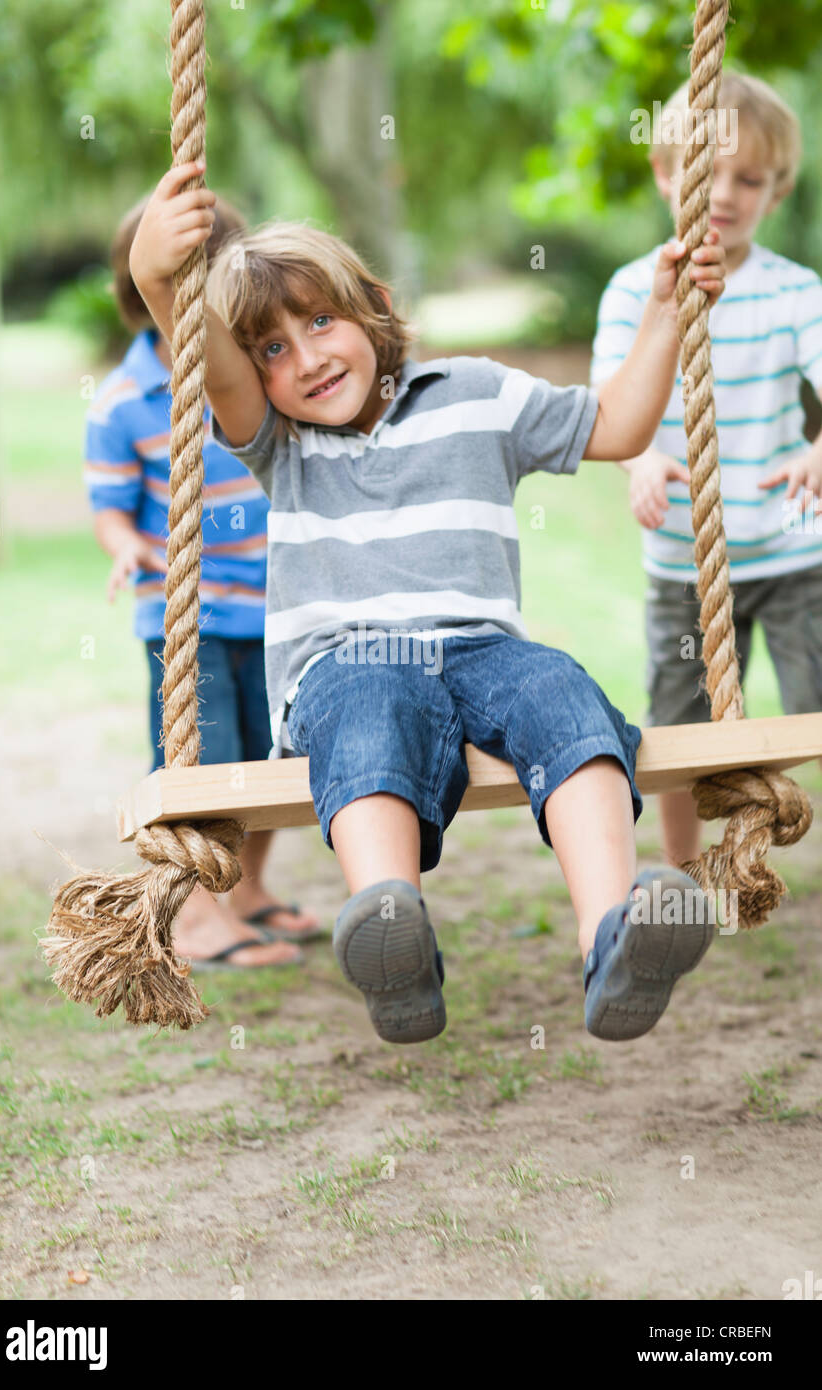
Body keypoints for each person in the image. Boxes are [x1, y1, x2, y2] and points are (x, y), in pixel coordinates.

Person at [128, 158, 726, 1044]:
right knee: (374, 712)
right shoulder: (277, 442)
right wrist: (155, 277)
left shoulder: (477, 394)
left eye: (321, 319)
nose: (308, 356)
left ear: (370, 303)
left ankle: (613, 936)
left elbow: (617, 426)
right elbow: (209, 364)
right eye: (273, 350)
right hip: (348, 661)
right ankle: (391, 927)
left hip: (484, 647)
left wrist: (668, 313)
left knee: (563, 693)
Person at [84, 191, 320, 971]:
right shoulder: (123, 402)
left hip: (270, 604)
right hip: (183, 614)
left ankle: (247, 893)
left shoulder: (251, 373)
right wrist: (125, 548)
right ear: (138, 293)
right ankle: (192, 918)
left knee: (272, 760)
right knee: (201, 761)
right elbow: (111, 507)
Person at [592, 72, 822, 869]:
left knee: (816, 712)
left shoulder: (797, 293)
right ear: (665, 175)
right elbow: (608, 402)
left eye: (748, 178)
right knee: (682, 728)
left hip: (796, 556)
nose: (723, 193)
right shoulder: (633, 291)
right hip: (685, 562)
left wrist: (818, 451)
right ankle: (683, 868)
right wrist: (642, 459)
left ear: (777, 189)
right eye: (703, 171)